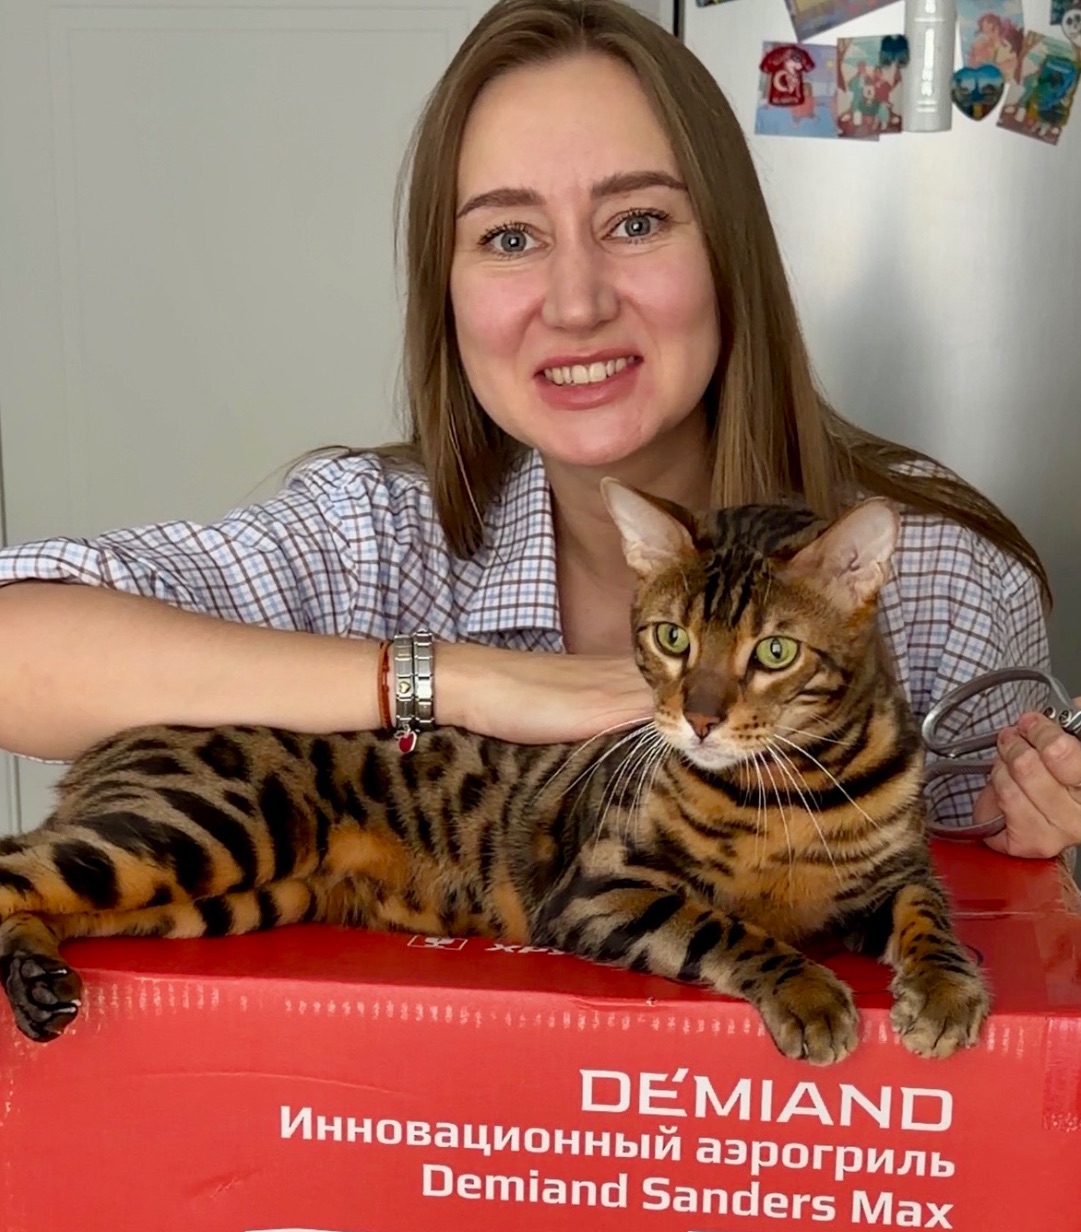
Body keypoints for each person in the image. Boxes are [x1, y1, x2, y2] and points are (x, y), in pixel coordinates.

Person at [0, 0, 1077, 859]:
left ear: (728, 253)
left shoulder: (942, 582)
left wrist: (1032, 859)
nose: (575, 302)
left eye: (636, 222)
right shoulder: (373, 537)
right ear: (447, 291)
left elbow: (974, 982)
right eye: (510, 237)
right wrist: (463, 681)